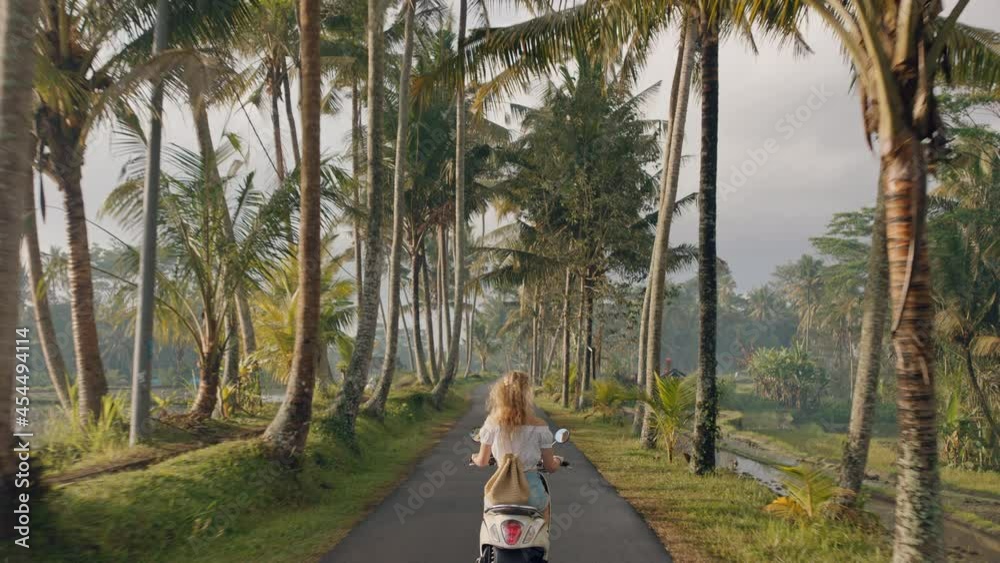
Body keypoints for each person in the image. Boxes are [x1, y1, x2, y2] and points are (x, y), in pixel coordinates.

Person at [471, 371, 563, 518]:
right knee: (543, 509)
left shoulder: (492, 423)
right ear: (527, 394)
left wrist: (474, 457)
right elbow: (550, 467)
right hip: (532, 495)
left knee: (488, 516)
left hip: (499, 494)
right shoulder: (540, 425)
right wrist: (558, 460)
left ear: (501, 393)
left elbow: (482, 461)